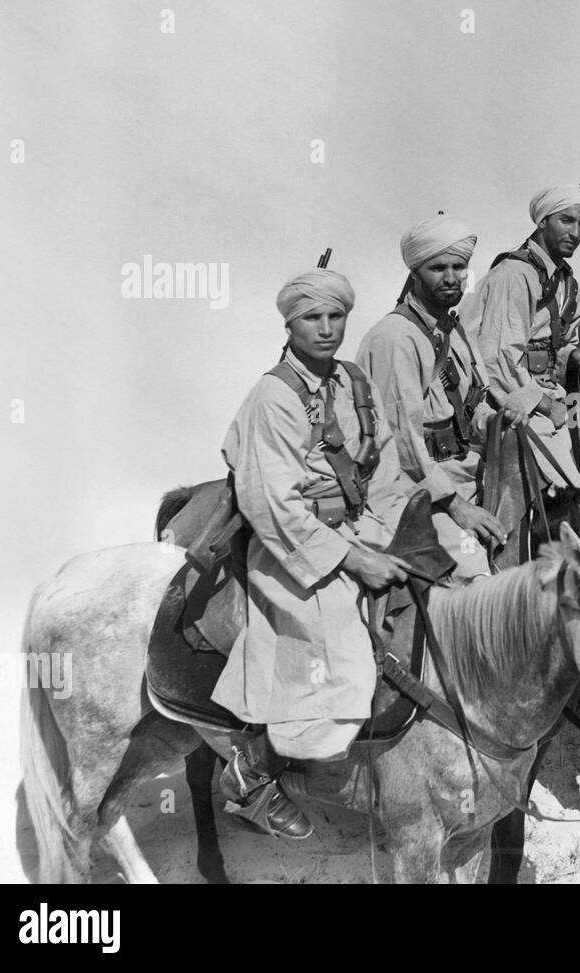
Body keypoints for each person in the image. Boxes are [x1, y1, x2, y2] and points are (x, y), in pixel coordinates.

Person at [212, 269, 419, 839]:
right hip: (296, 547)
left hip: (364, 528)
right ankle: (252, 776)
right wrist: (353, 560)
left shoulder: (355, 382)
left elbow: (382, 469)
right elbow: (269, 501)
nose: (327, 329)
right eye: (312, 318)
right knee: (343, 665)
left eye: (336, 317)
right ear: (289, 324)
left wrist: (402, 534)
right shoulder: (273, 396)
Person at [356, 214, 504, 581]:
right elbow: (401, 441)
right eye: (438, 267)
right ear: (415, 273)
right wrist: (457, 507)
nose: (451, 277)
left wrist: (501, 423)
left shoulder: (450, 329)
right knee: (475, 583)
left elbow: (473, 405)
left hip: (467, 472)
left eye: (459, 266)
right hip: (412, 488)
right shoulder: (396, 339)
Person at [461, 183, 580, 546]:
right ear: (542, 221)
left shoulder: (565, 280)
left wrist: (574, 356)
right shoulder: (516, 274)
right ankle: (499, 556)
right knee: (535, 489)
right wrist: (545, 403)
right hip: (500, 396)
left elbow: (560, 343)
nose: (575, 233)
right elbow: (498, 355)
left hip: (544, 393)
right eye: (566, 221)